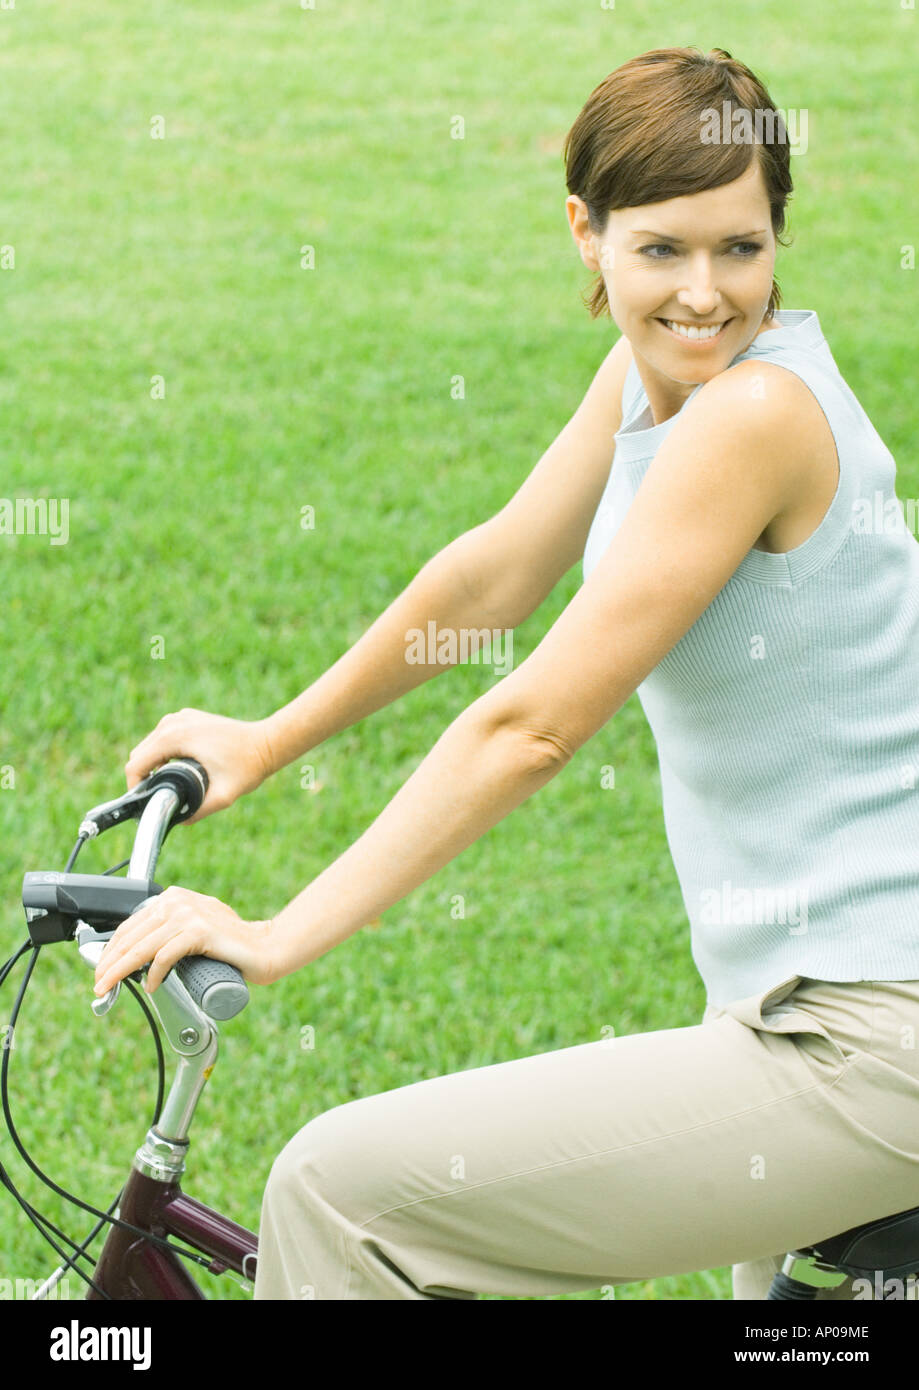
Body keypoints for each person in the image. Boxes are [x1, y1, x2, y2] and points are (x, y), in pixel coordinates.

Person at [93, 46, 919, 1301]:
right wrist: (269, 735)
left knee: (339, 1197)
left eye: (739, 249)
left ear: (776, 237)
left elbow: (530, 727)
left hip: (866, 1030)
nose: (704, 293)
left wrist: (275, 934)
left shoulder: (751, 415)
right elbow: (489, 582)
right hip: (799, 1004)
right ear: (585, 234)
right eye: (662, 250)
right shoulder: (661, 381)